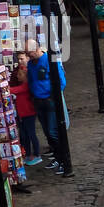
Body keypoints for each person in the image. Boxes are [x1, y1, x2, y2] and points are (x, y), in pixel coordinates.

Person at [25, 39, 66, 171]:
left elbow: (61, 81)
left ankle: (63, 160)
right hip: (38, 101)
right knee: (47, 133)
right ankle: (57, 157)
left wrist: (53, 97)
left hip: (50, 100)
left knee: (53, 131)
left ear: (36, 49)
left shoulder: (49, 61)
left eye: (29, 52)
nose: (28, 55)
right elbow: (31, 80)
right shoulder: (31, 64)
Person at [10, 53, 41, 166]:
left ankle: (37, 154)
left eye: (19, 75)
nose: (17, 77)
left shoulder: (25, 86)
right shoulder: (24, 85)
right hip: (22, 114)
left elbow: (13, 90)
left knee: (31, 134)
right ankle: (28, 153)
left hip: (28, 113)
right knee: (24, 135)